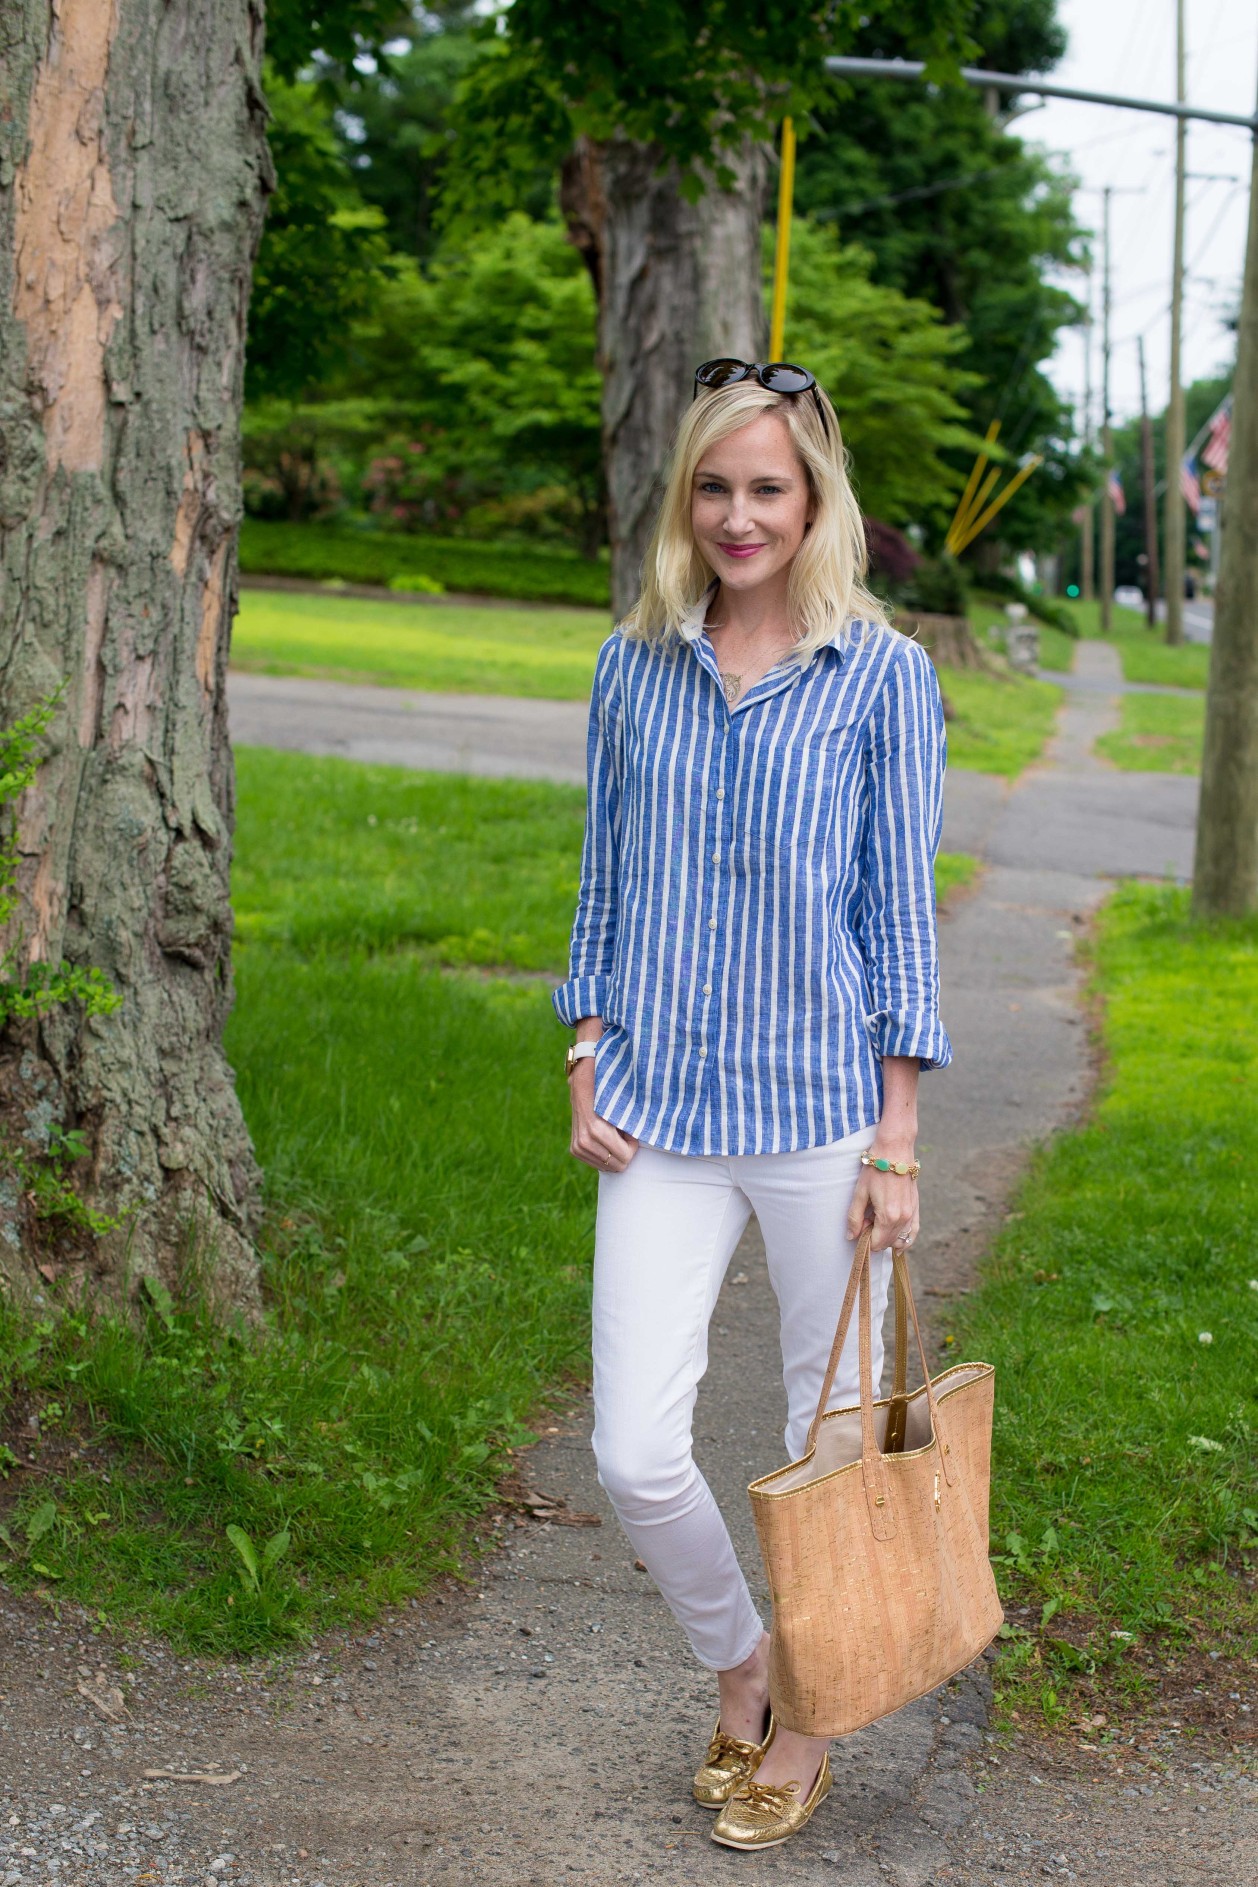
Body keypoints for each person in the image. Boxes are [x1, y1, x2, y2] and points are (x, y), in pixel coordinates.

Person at [551, 358, 952, 1853]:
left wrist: (898, 1139)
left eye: (765, 488)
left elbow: (893, 914)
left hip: (821, 1116)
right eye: (713, 487)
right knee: (633, 1451)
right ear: (685, 501)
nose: (736, 515)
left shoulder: (881, 680)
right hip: (656, 1109)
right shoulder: (631, 666)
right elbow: (603, 878)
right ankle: (744, 1670)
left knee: (824, 1447)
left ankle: (811, 1720)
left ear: (812, 501)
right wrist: (585, 1048)